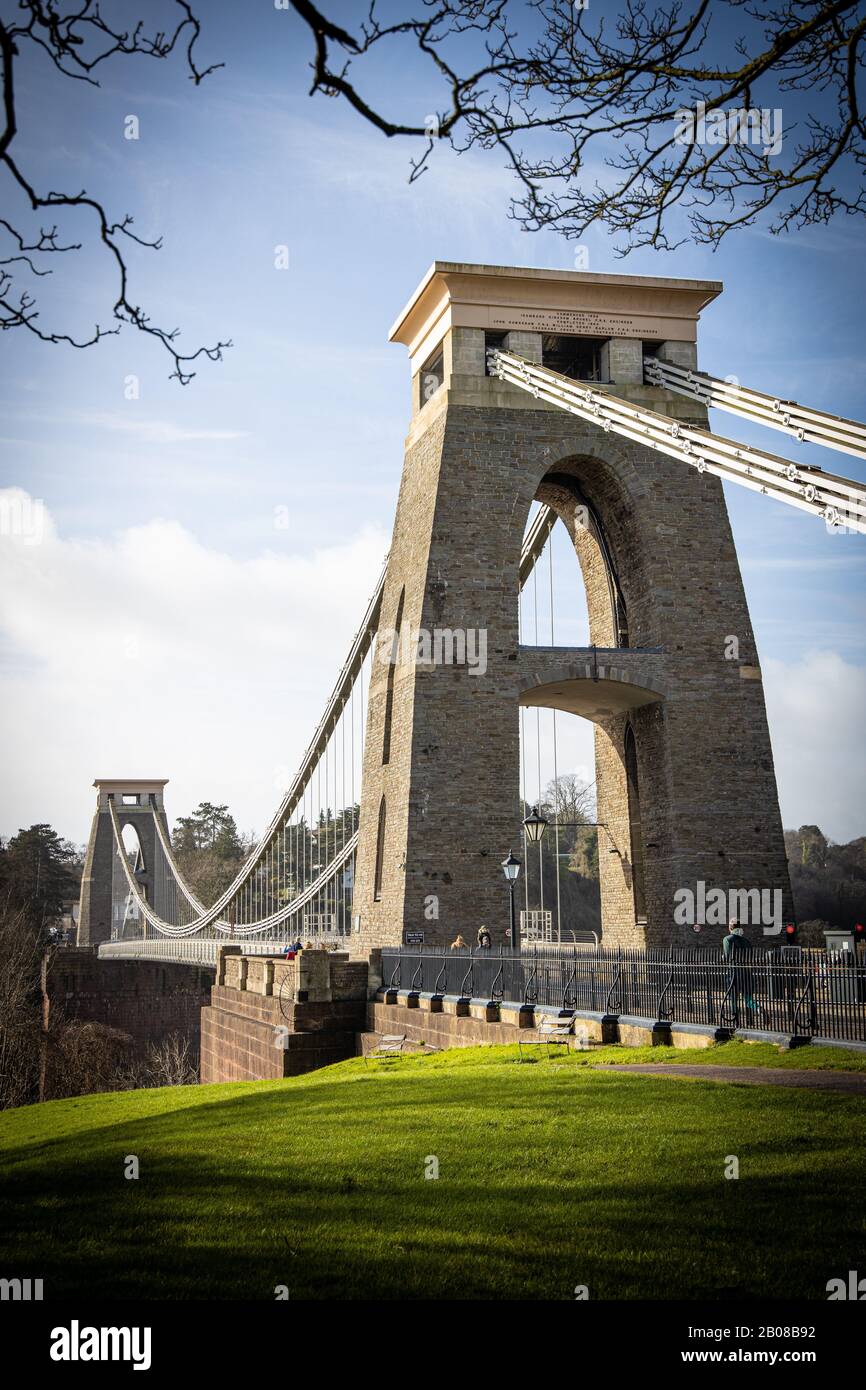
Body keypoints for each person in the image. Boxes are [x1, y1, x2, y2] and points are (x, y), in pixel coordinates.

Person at [722, 920, 757, 1019]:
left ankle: (735, 1018)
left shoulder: (727, 939)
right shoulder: (747, 941)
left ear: (730, 927)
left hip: (734, 973)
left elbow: (728, 956)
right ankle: (758, 1009)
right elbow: (750, 956)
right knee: (748, 999)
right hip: (747, 972)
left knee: (733, 998)